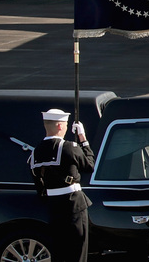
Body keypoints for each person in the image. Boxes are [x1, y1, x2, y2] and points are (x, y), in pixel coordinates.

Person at [29, 108, 95, 262]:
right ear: (60, 126)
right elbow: (90, 165)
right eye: (65, 124)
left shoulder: (35, 152)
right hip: (74, 205)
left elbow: (39, 186)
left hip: (54, 207)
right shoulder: (69, 147)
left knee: (59, 252)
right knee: (78, 251)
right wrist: (83, 138)